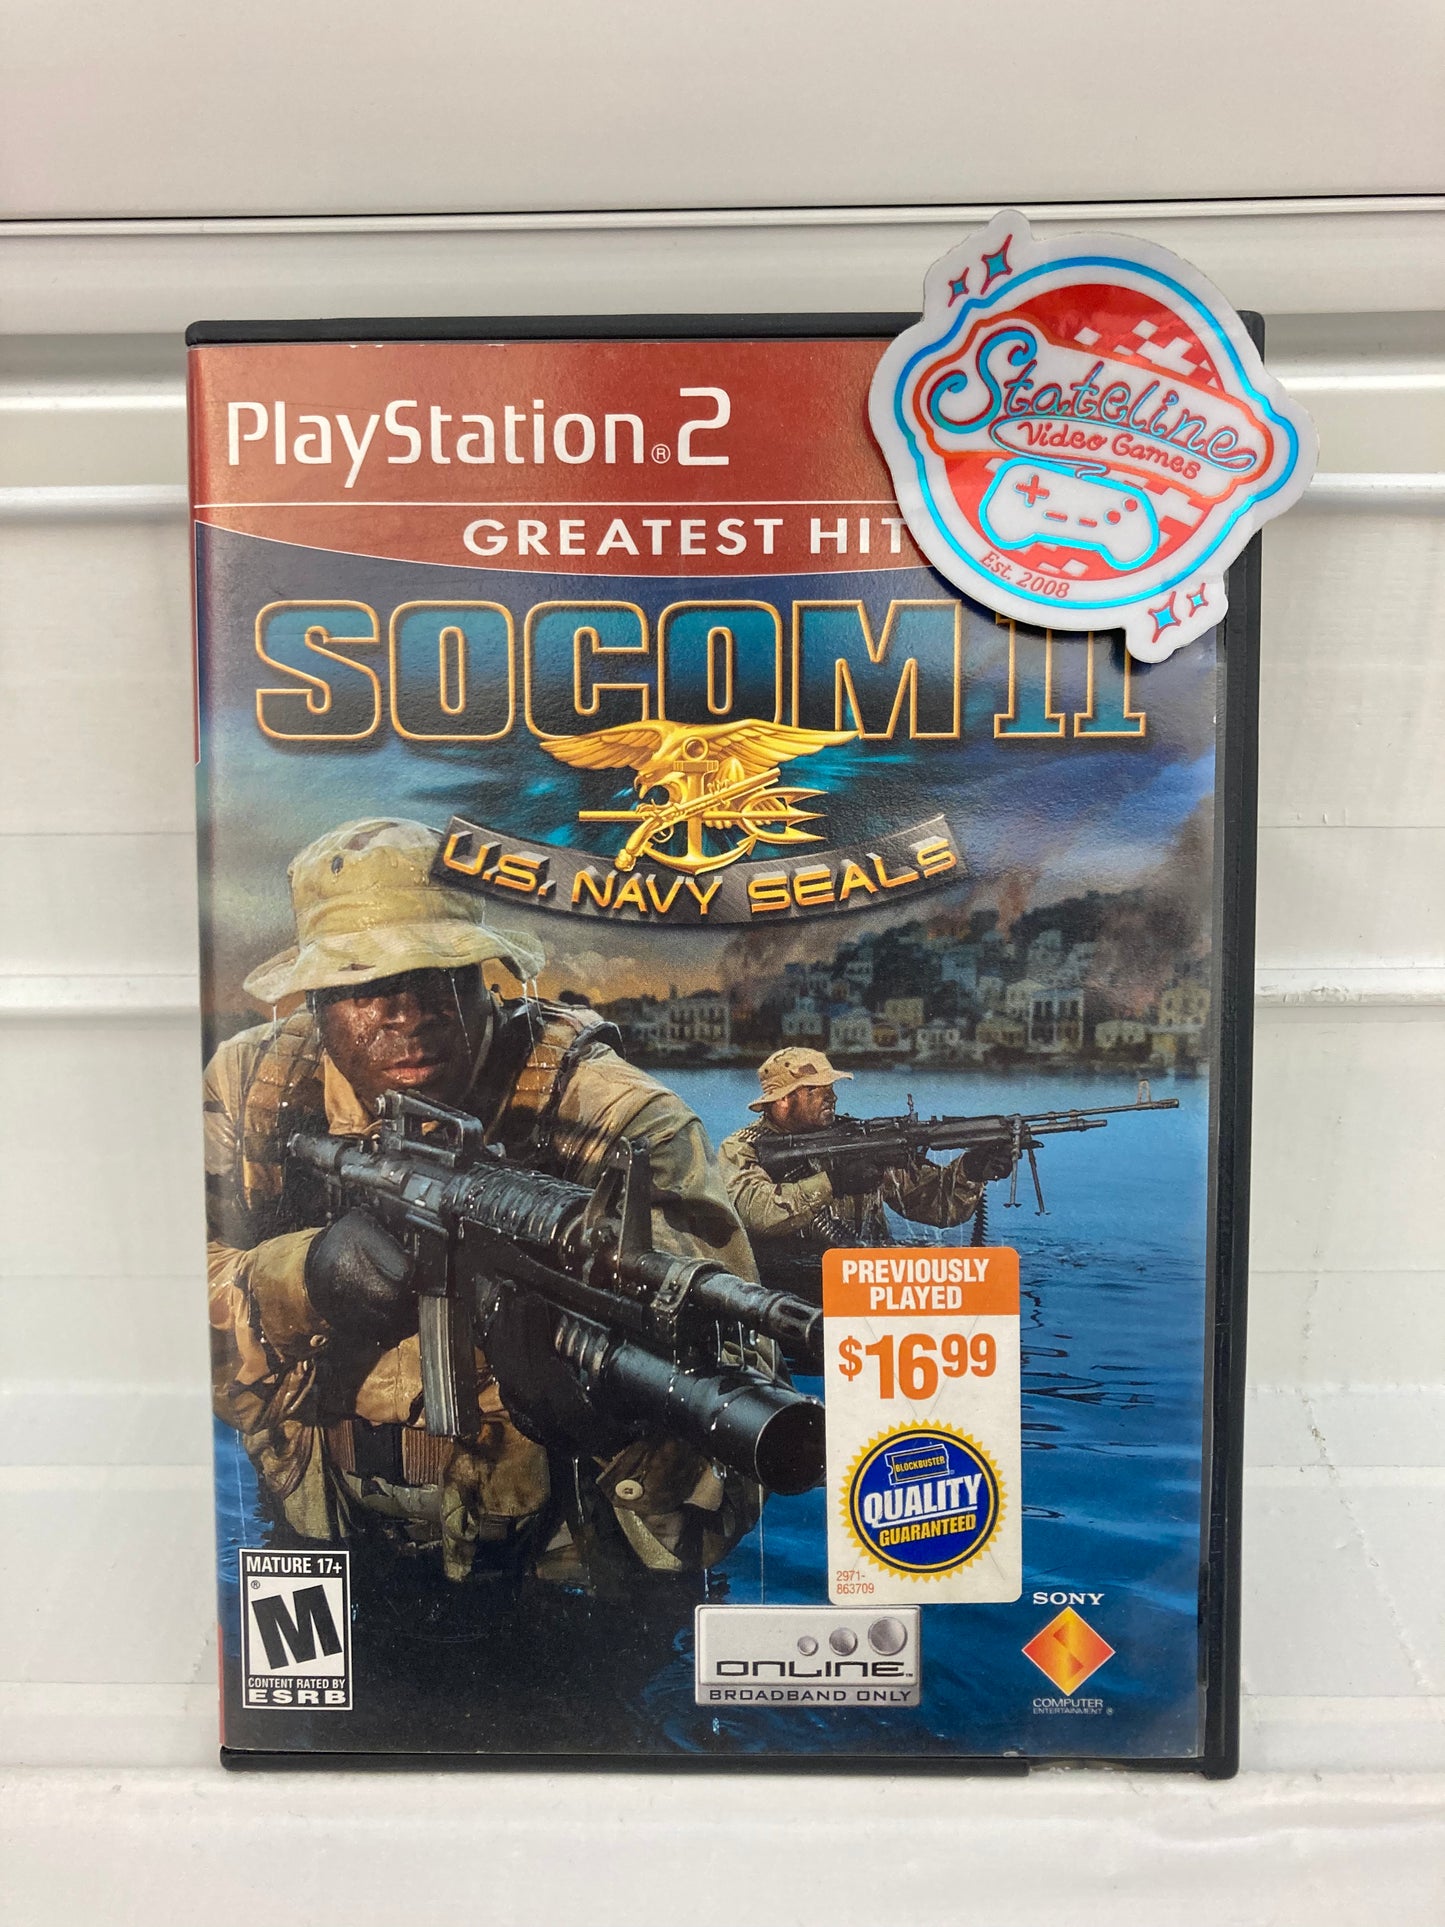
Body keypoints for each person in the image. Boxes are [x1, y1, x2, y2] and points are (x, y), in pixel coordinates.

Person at [206, 817, 764, 1591]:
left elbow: (741, 1428)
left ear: (484, 977)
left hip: (560, 1566)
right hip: (322, 1538)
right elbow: (151, 1321)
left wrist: (607, 1413)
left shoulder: (616, 1118)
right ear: (315, 997)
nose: (408, 1013)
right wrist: (305, 1279)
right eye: (364, 984)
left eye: (441, 974)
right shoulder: (257, 1087)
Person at [716, 1048, 1007, 1291]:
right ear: (782, 1100)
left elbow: (935, 1204)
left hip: (864, 1283)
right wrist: (835, 1182)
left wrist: (971, 1170)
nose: (832, 1097)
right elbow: (757, 1212)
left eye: (831, 1088)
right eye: (816, 1090)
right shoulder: (744, 1148)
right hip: (788, 1289)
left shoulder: (858, 1137)